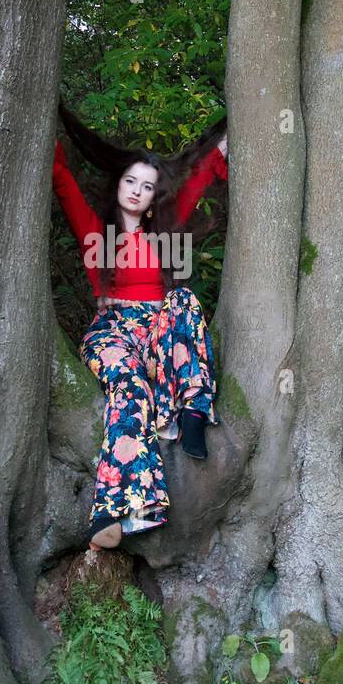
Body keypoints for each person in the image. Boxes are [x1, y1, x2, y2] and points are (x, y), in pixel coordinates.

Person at [52, 105, 228, 551]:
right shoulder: (96, 229)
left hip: (156, 331)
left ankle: (192, 409)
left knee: (183, 298)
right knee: (129, 387)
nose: (137, 191)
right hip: (112, 331)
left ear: (155, 197)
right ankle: (117, 510)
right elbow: (64, 183)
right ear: (118, 185)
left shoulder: (164, 232)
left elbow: (202, 177)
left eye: (147, 186)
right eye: (131, 181)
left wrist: (221, 146)